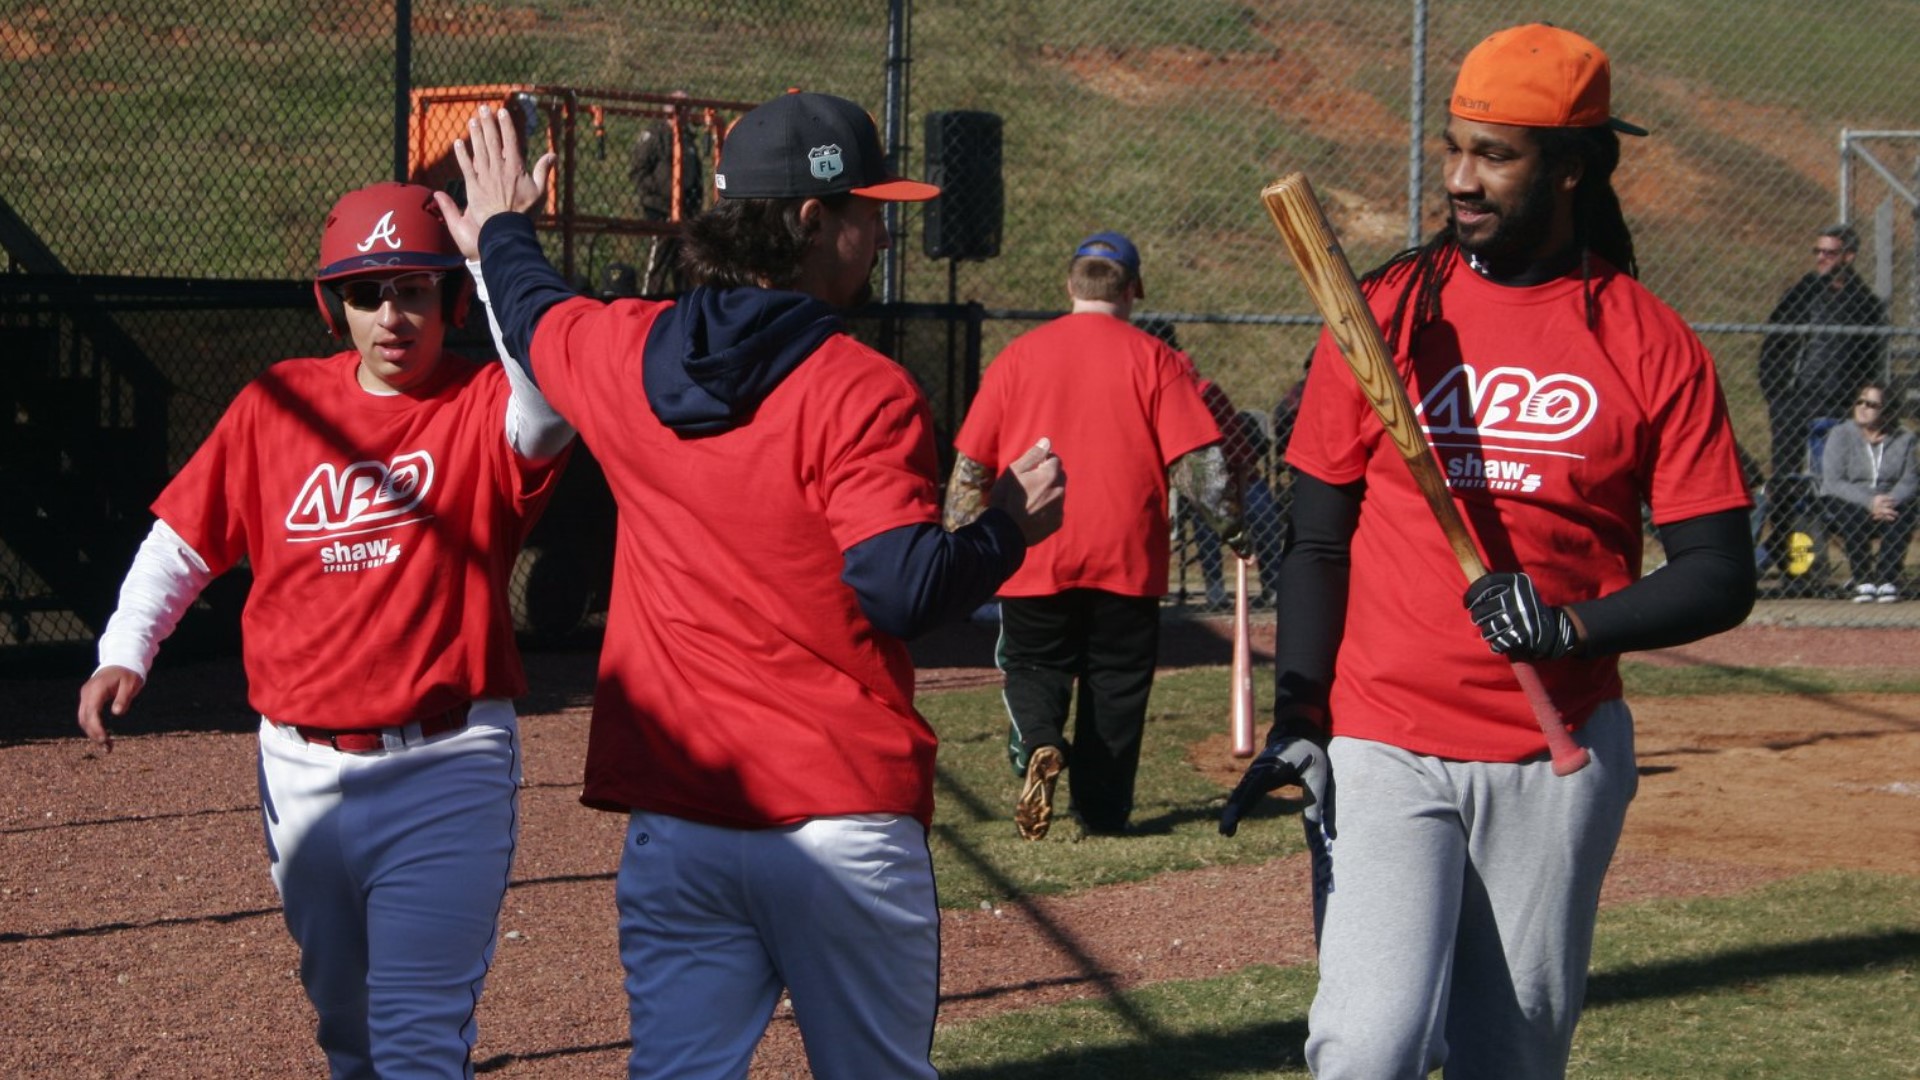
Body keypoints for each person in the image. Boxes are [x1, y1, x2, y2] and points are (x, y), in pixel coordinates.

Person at [451, 93, 1064, 1079]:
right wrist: (1006, 528)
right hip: (839, 818)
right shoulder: (858, 388)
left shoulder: (628, 349)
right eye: (869, 210)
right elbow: (901, 590)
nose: (882, 231)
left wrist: (501, 230)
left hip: (681, 825)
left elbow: (531, 313)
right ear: (810, 223)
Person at [1219, 23, 1755, 1079]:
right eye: (1455, 147)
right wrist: (1300, 712)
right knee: (1367, 1046)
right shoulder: (1382, 315)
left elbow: (1720, 572)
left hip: (1553, 755)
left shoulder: (1650, 343)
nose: (1461, 179)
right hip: (1385, 739)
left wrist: (1570, 625)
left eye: (1495, 155)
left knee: (1508, 1056)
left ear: (1573, 168)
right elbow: (1320, 538)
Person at [75, 178, 574, 1077]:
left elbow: (548, 406)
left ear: (449, 298)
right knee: (348, 1034)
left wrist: (490, 253)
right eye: (366, 291)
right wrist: (126, 648)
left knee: (419, 1040)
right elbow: (181, 544)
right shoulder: (280, 404)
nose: (392, 313)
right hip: (296, 765)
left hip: (446, 764)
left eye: (415, 287)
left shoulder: (484, 401)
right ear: (331, 304)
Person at [945, 232, 1246, 840]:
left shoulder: (1019, 355)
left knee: (1033, 664)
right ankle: (1104, 814)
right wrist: (1233, 526)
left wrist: (959, 538)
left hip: (1031, 546)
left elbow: (970, 468)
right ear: (1133, 289)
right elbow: (1200, 467)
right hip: (1125, 555)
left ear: (1070, 285)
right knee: (1116, 684)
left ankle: (1038, 742)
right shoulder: (1156, 359)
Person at [1760, 224, 1887, 484]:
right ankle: (1784, 523)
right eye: (1817, 251)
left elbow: (1871, 359)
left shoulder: (1865, 304)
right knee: (1785, 474)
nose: (1820, 257)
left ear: (1848, 256)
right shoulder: (1800, 294)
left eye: (1829, 253)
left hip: (1839, 401)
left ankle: (1826, 523)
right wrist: (1775, 392)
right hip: (1793, 397)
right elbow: (1774, 343)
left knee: (1832, 475)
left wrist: (1858, 401)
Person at [1821, 381, 1916, 602]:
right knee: (1850, 512)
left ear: (1886, 410)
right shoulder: (1840, 434)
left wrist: (1887, 502)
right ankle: (1863, 580)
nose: (1863, 407)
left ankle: (1886, 580)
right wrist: (1869, 501)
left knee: (1905, 511)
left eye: (1872, 404)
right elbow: (1833, 481)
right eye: (1860, 402)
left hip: (1888, 500)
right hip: (1850, 498)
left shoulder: (1904, 438)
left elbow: (1909, 480)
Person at [628, 102, 705, 295]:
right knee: (658, 261)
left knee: (684, 263)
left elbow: (696, 176)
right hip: (660, 208)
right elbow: (638, 171)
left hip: (685, 209)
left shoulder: (687, 138)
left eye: (688, 108)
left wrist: (693, 204)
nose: (687, 113)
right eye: (681, 108)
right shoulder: (656, 135)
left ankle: (683, 305)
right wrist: (663, 192)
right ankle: (649, 300)